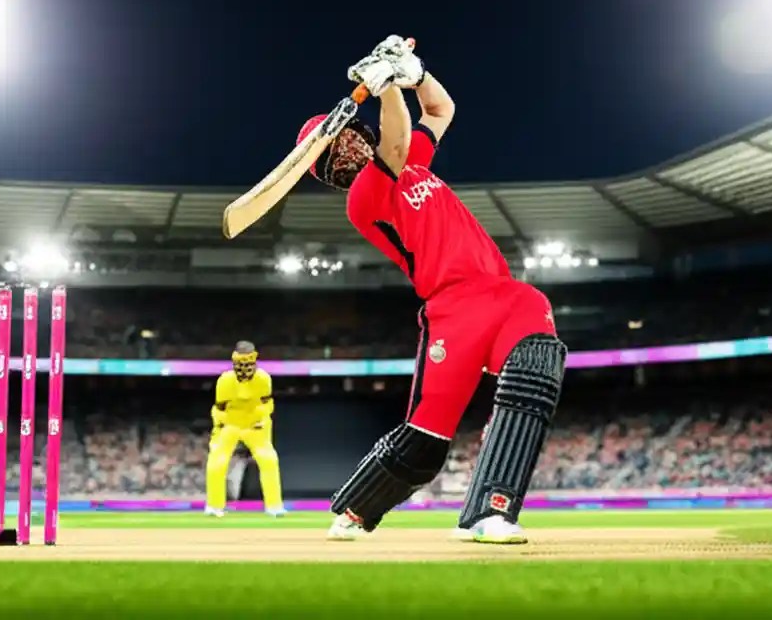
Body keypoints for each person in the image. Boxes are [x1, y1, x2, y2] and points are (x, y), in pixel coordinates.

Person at [301, 36, 564, 544]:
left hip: (506, 295)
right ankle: (355, 509)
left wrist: (411, 74)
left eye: (349, 136)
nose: (351, 145)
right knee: (425, 443)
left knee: (536, 379)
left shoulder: (414, 166)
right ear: (331, 168)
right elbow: (394, 144)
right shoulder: (364, 196)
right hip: (451, 312)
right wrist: (386, 89)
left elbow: (441, 110)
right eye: (338, 147)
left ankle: (491, 512)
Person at [204, 341, 286, 517]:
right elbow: (219, 408)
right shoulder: (225, 381)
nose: (244, 368)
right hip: (230, 423)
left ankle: (274, 506)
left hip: (255, 425)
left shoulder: (263, 379)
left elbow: (267, 403)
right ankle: (214, 506)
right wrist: (221, 424)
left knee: (268, 460)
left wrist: (260, 417)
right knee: (217, 462)